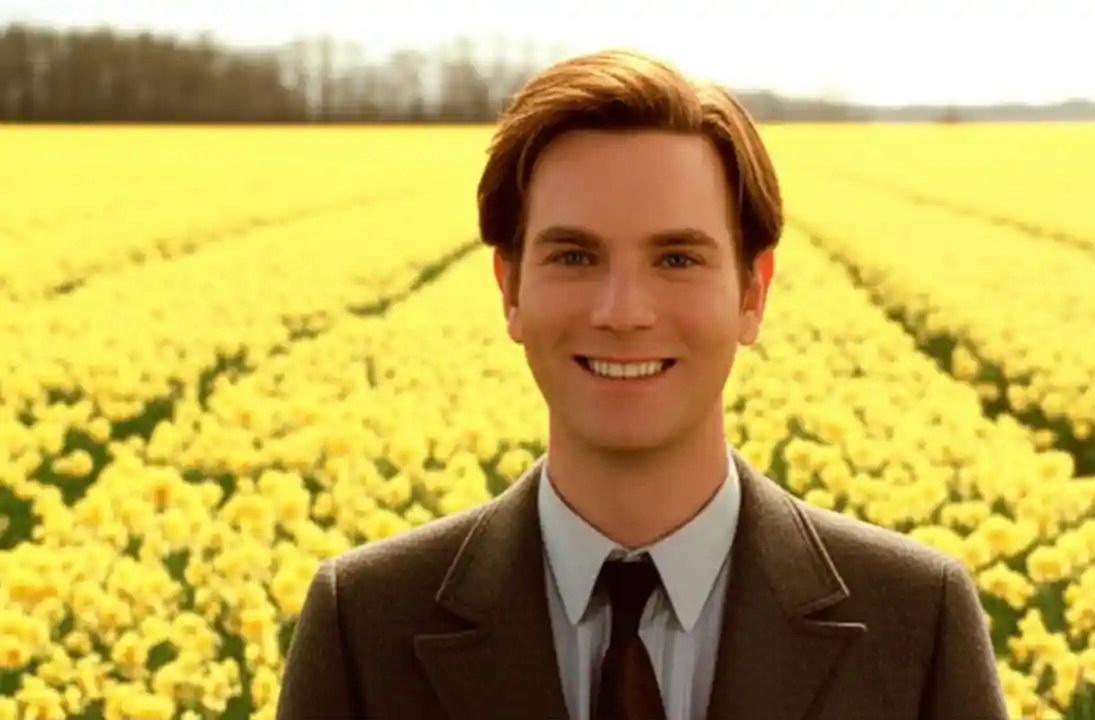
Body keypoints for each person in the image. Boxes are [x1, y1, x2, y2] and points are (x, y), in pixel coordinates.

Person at [277, 48, 1009, 720]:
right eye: (574, 257)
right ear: (510, 292)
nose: (622, 313)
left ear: (754, 293)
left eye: (677, 260)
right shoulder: (365, 625)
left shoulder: (915, 622)